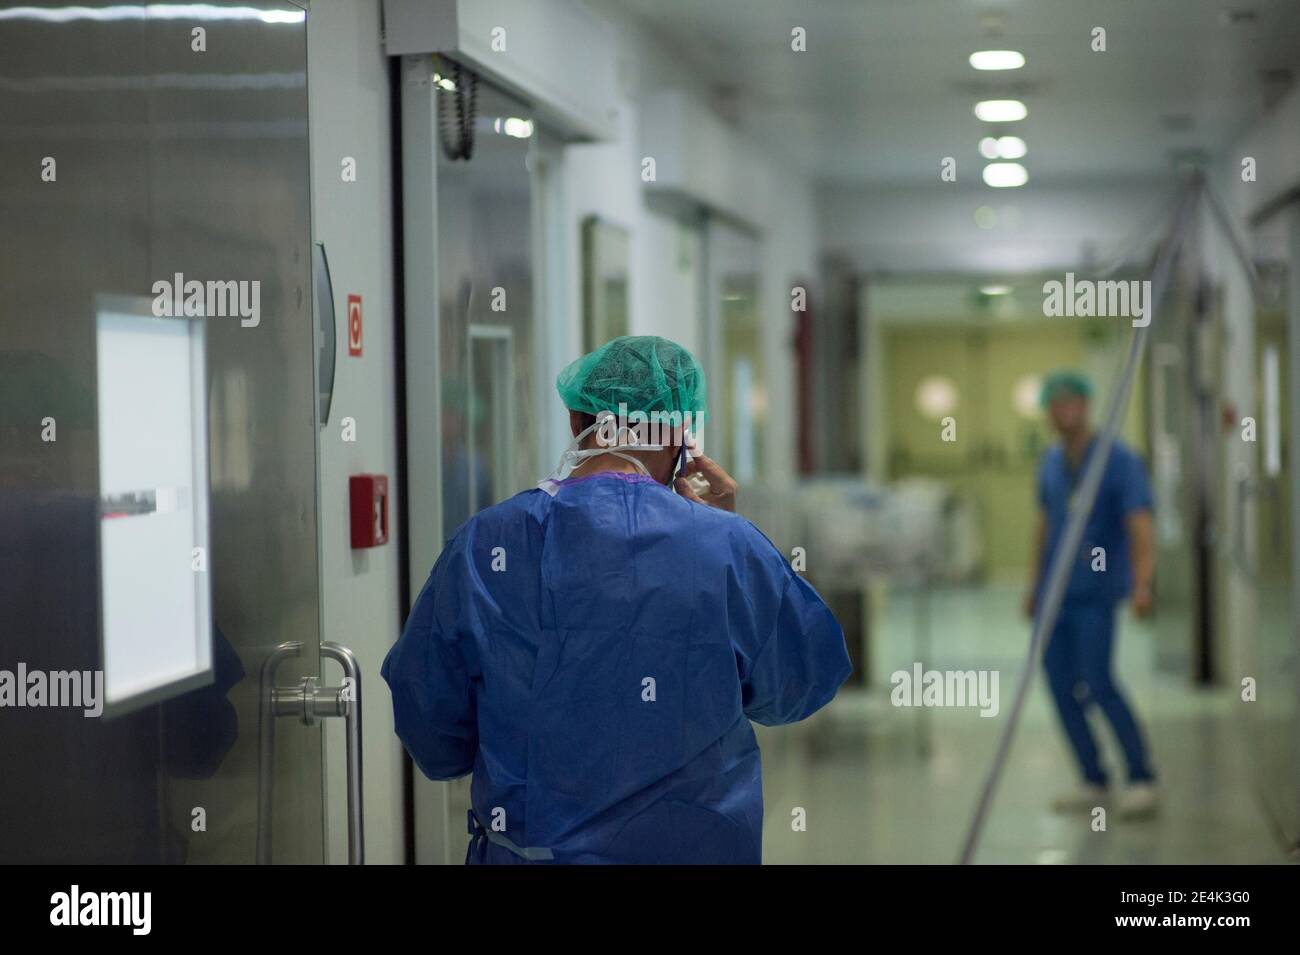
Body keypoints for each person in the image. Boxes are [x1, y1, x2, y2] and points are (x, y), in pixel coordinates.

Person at [382, 335, 851, 863]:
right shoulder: (725, 546)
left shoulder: (486, 544)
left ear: (578, 424)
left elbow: (432, 728)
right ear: (681, 436)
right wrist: (723, 526)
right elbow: (798, 686)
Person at [1025, 370, 1159, 818]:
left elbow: (1139, 524)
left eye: (1071, 402)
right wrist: (1033, 585)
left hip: (1095, 595)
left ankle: (1141, 777)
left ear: (1086, 406)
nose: (1063, 411)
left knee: (1099, 683)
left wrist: (1142, 584)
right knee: (1061, 688)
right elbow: (1044, 525)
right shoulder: (1050, 462)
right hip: (1054, 598)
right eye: (1055, 404)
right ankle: (1094, 778)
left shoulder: (1118, 461)